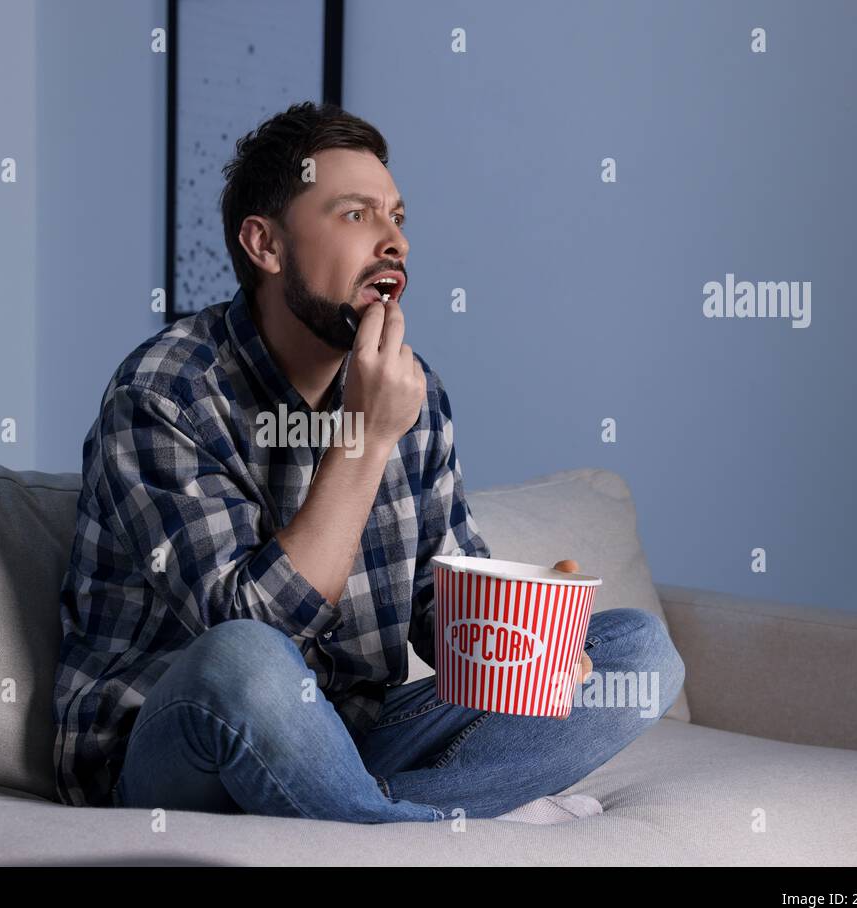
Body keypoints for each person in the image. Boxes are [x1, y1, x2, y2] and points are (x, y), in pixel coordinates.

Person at [52, 102, 684, 823]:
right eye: (356, 215)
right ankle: (434, 827)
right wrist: (363, 438)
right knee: (248, 661)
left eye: (398, 218)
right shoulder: (166, 392)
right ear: (266, 245)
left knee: (637, 654)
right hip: (175, 755)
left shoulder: (417, 391)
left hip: (350, 739)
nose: (395, 242)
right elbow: (248, 634)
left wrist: (532, 638)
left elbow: (436, 616)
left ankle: (362, 814)